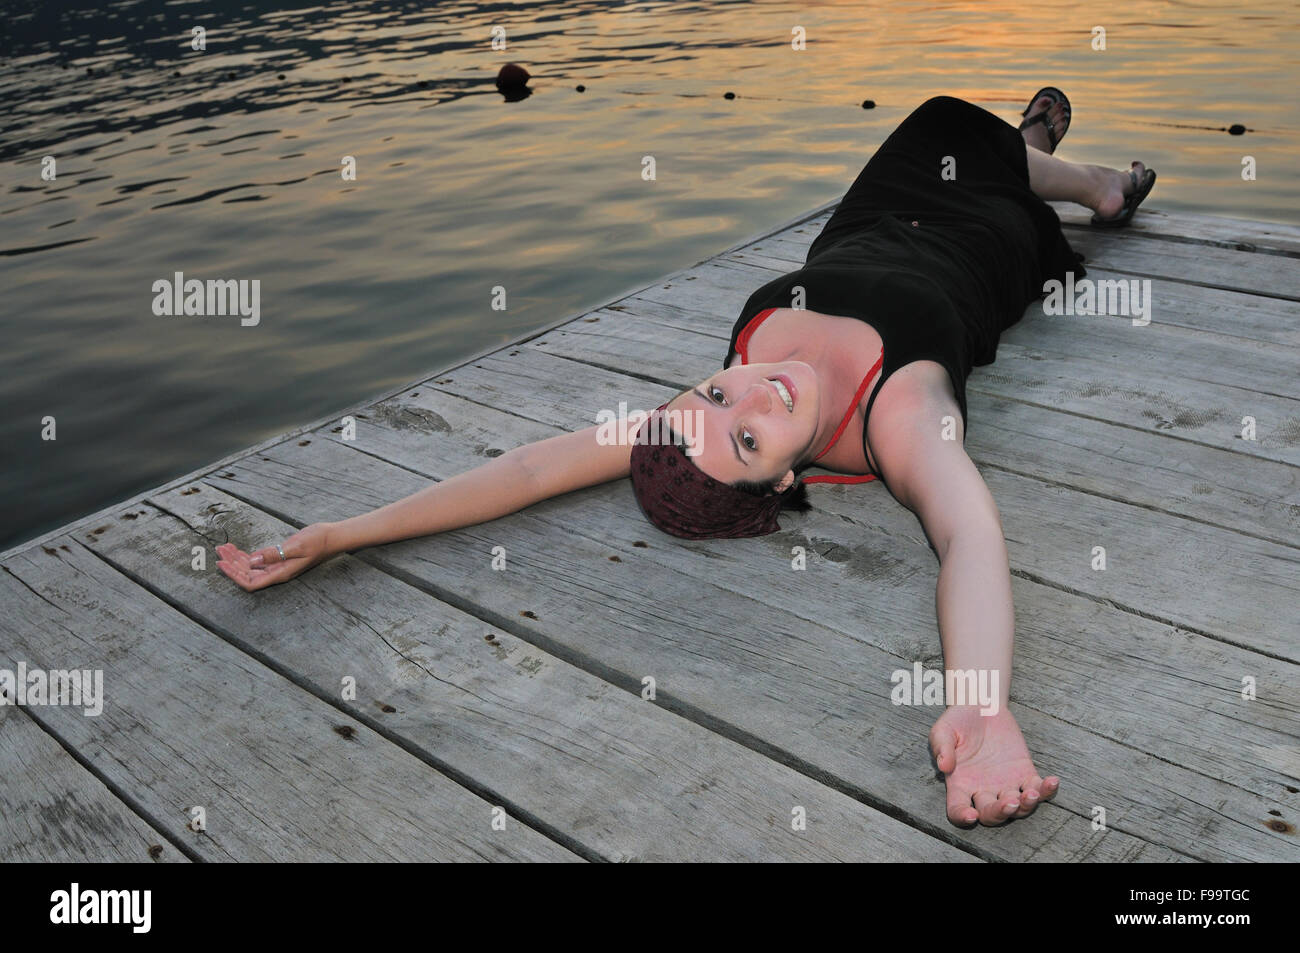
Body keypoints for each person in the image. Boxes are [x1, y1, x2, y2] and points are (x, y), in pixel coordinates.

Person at [218, 90, 1156, 829]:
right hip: (977, 238)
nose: (751, 393)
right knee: (1005, 174)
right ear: (786, 480)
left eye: (713, 394)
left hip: (884, 199)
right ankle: (1092, 181)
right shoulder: (900, 418)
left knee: (947, 119)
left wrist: (343, 530)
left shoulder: (712, 403)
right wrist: (983, 710)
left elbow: (534, 468)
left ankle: (1031, 133)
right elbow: (969, 540)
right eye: (749, 437)